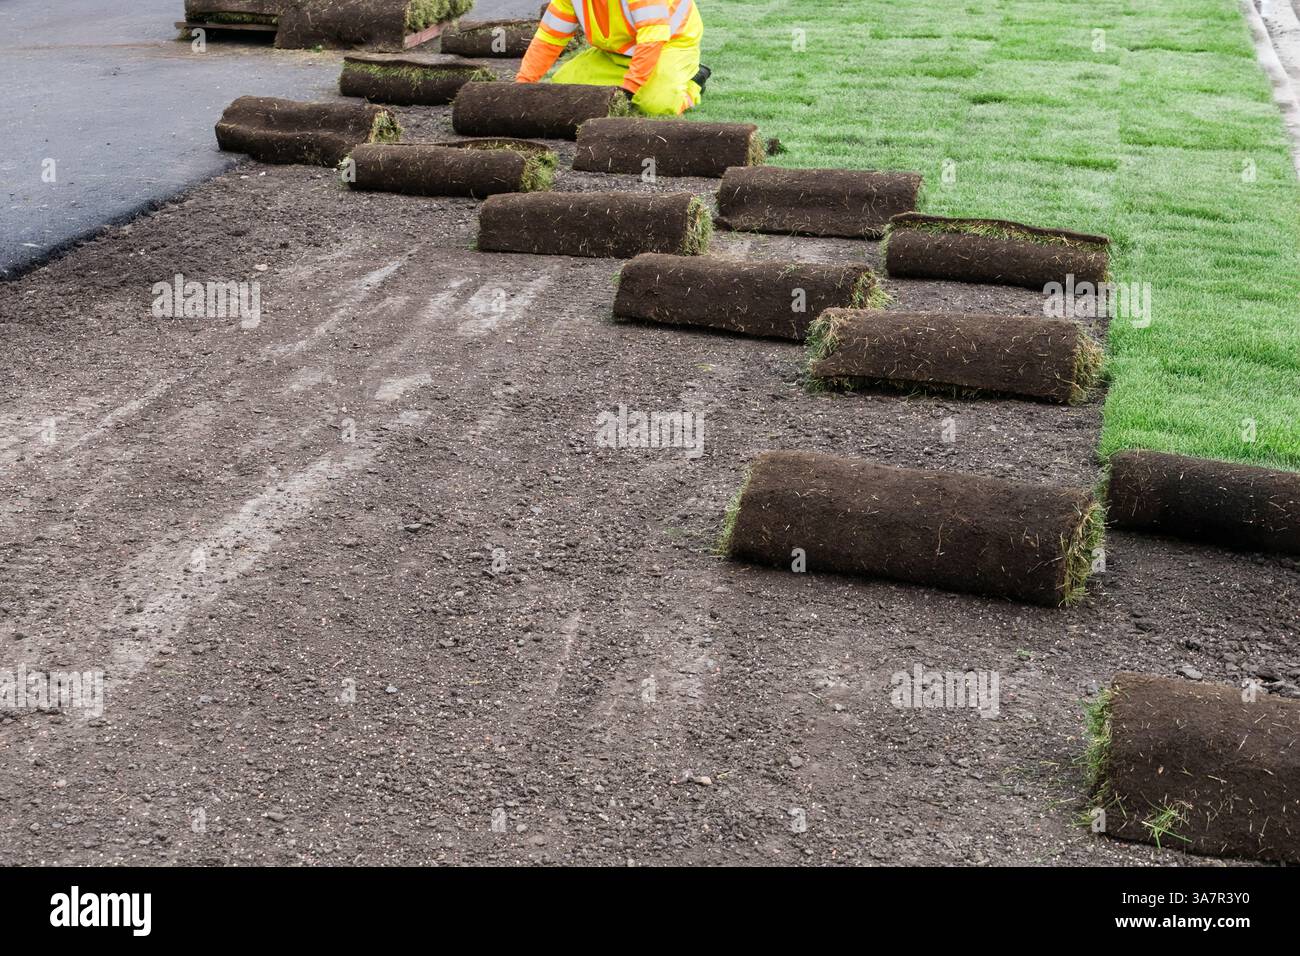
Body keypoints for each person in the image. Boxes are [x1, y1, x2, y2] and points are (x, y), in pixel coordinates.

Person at [515, 1, 711, 117]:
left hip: (669, 45)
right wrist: (522, 84)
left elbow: (652, 39)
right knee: (563, 85)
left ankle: (694, 82)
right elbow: (550, 37)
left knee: (656, 105)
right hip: (615, 52)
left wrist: (628, 90)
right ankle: (637, 81)